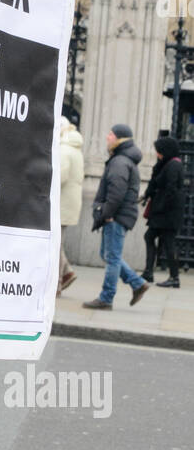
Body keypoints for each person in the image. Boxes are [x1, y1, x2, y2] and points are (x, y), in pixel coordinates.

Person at [83, 123, 149, 310]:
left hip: (116, 217)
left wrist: (107, 214)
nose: (107, 137)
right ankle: (137, 283)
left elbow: (116, 192)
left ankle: (106, 298)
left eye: (111, 134)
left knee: (112, 258)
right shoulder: (122, 159)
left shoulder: (120, 161)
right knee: (107, 254)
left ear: (120, 139)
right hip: (118, 215)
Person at [141, 135, 184, 288]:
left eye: (159, 151)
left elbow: (171, 189)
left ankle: (174, 277)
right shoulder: (166, 163)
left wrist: (159, 208)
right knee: (151, 237)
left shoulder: (173, 165)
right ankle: (149, 272)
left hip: (167, 213)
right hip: (163, 211)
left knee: (168, 242)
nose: (157, 154)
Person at [57, 116, 84, 294]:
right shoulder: (75, 149)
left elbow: (60, 176)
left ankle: (58, 282)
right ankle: (66, 273)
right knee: (58, 243)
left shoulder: (64, 149)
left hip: (61, 204)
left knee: (56, 244)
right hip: (69, 204)